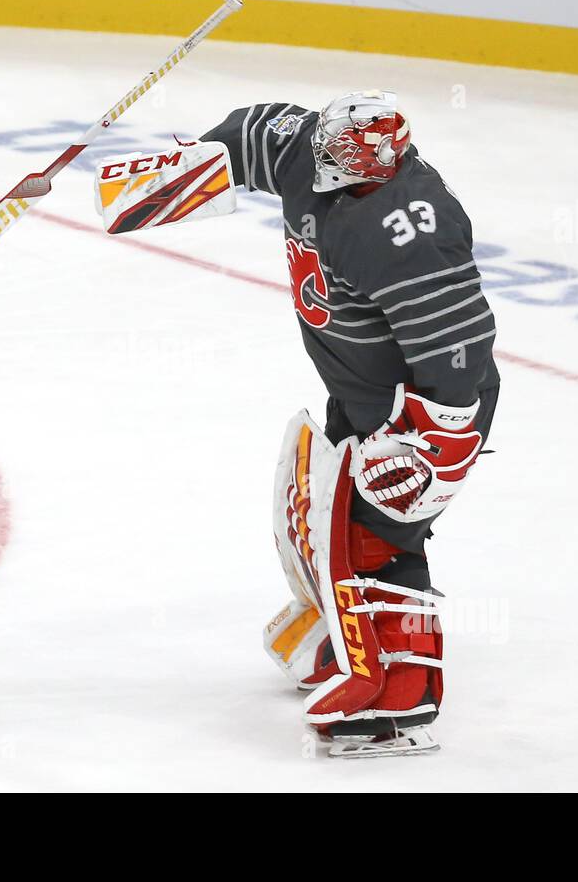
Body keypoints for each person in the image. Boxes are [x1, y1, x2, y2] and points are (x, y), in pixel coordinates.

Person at [200, 92, 500, 755]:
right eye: (326, 144)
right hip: (357, 390)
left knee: (382, 537)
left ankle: (400, 692)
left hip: (416, 410)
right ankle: (342, 634)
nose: (325, 157)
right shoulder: (309, 151)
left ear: (381, 162)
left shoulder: (406, 225)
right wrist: (192, 163)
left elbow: (458, 349)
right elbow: (255, 132)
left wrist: (434, 443)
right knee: (321, 518)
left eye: (344, 152)